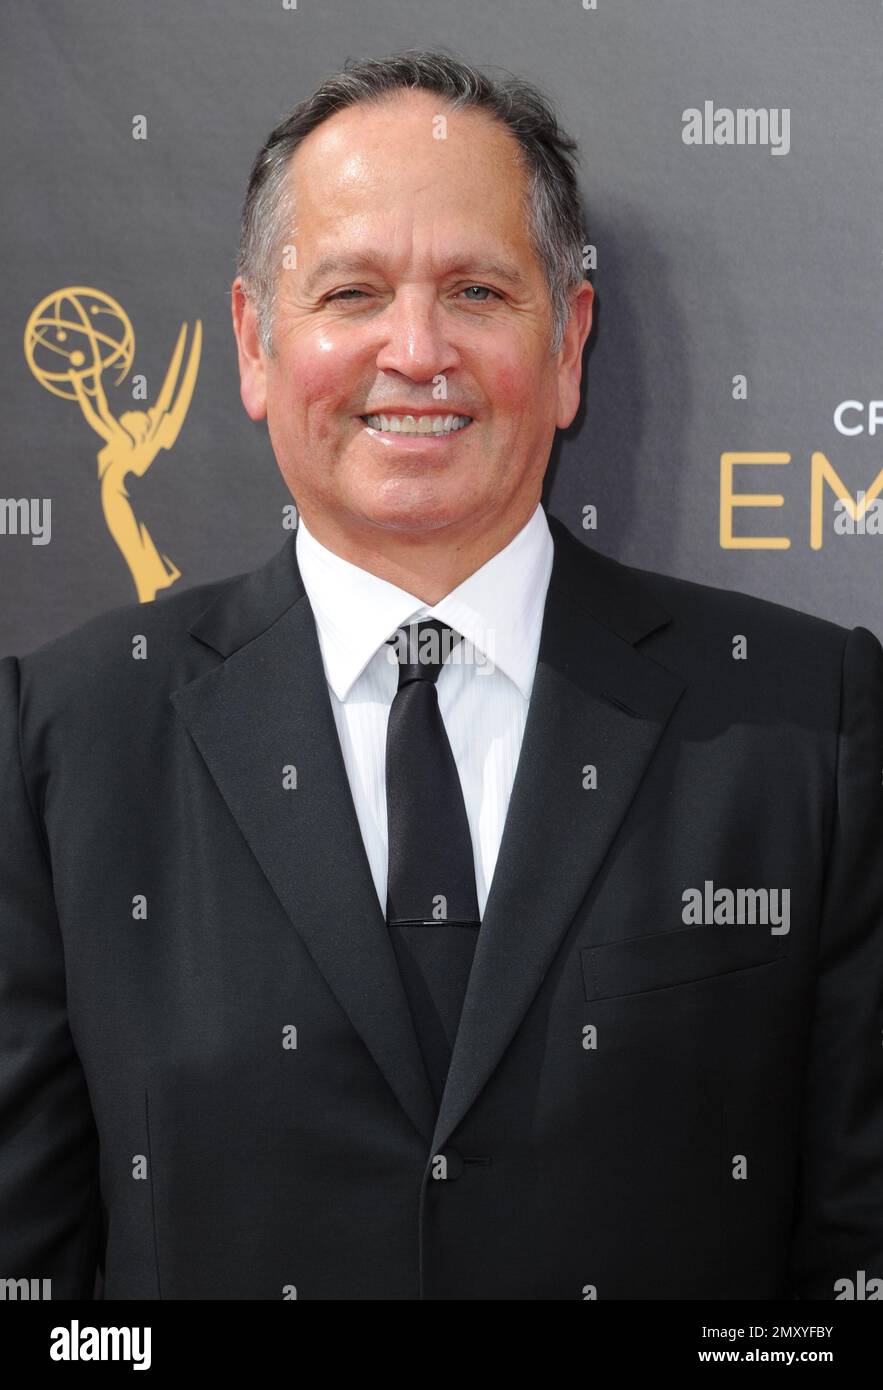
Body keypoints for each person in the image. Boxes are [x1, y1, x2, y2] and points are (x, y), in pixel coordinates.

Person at [1, 49, 881, 1301]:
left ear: (568, 341)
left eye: (475, 290)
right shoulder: (63, 742)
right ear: (254, 346)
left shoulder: (803, 720)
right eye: (352, 292)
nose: (416, 352)